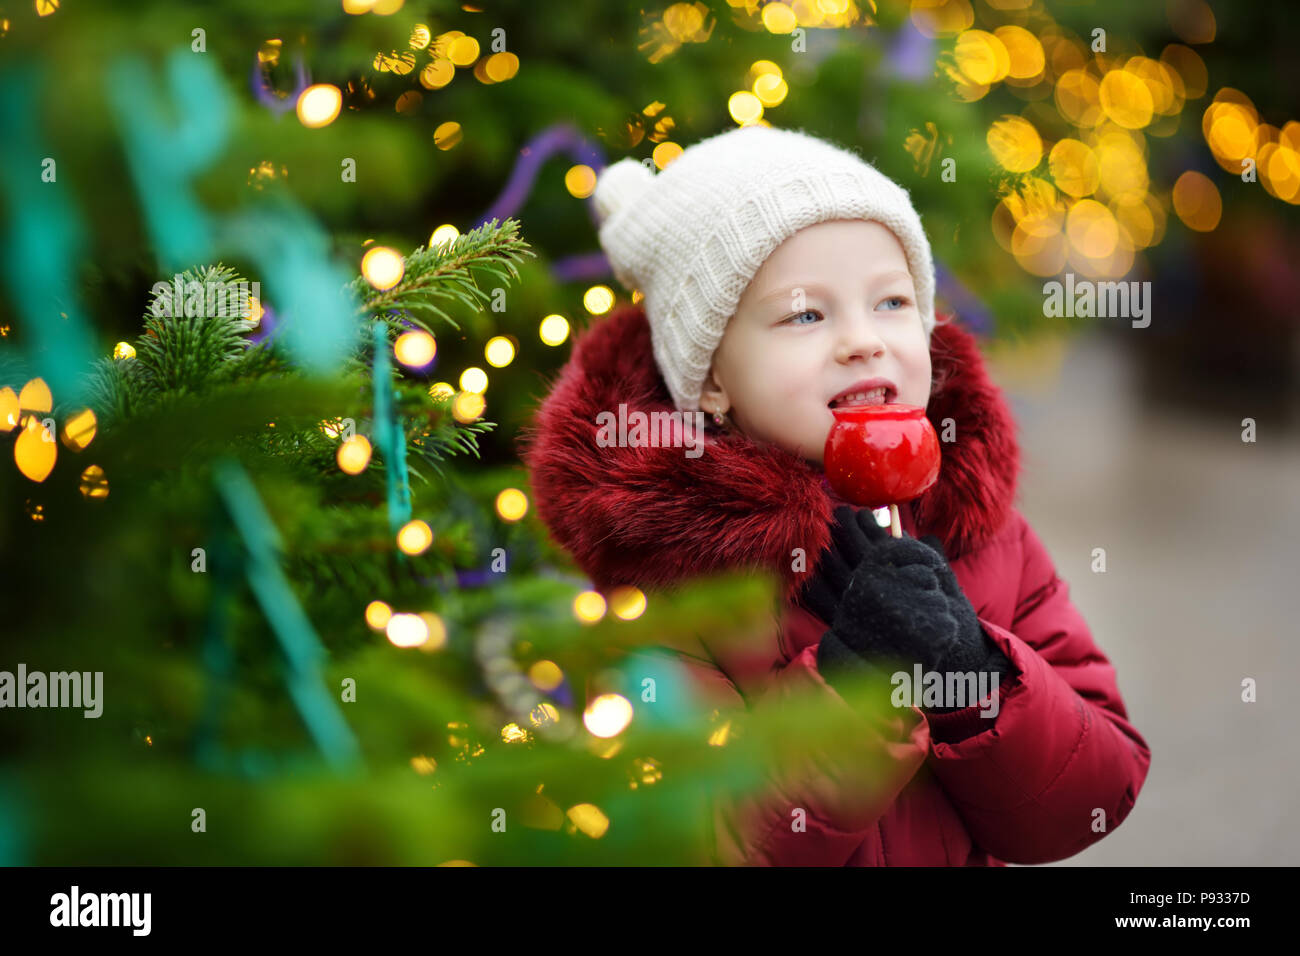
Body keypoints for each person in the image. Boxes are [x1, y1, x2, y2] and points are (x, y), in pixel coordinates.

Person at [519, 125, 1150, 866]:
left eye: (890, 303)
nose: (863, 340)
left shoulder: (982, 533)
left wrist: (969, 675)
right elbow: (707, 838)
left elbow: (1094, 796)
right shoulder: (670, 590)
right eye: (805, 315)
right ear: (713, 380)